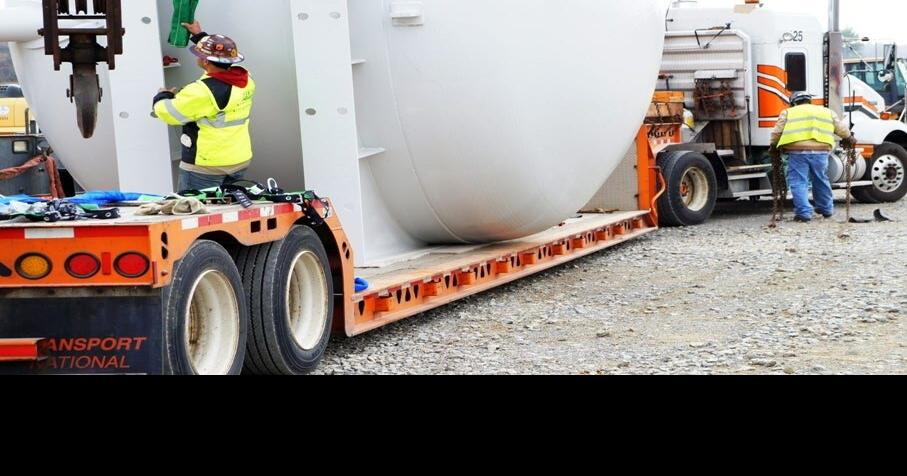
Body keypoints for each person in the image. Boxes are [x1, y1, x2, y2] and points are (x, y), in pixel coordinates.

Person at [153, 21, 256, 192]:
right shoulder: (246, 79)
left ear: (206, 62)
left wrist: (163, 95)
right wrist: (199, 36)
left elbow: (168, 113)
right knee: (229, 208)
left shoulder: (201, 91)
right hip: (238, 159)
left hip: (206, 165)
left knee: (195, 210)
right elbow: (222, 59)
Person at [770, 91, 856, 222]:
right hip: (821, 151)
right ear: (809, 100)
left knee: (798, 181)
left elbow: (777, 132)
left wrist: (773, 146)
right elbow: (841, 128)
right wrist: (849, 137)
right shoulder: (826, 112)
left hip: (797, 152)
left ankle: (804, 213)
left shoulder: (788, 112)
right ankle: (826, 208)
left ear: (793, 102)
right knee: (821, 178)